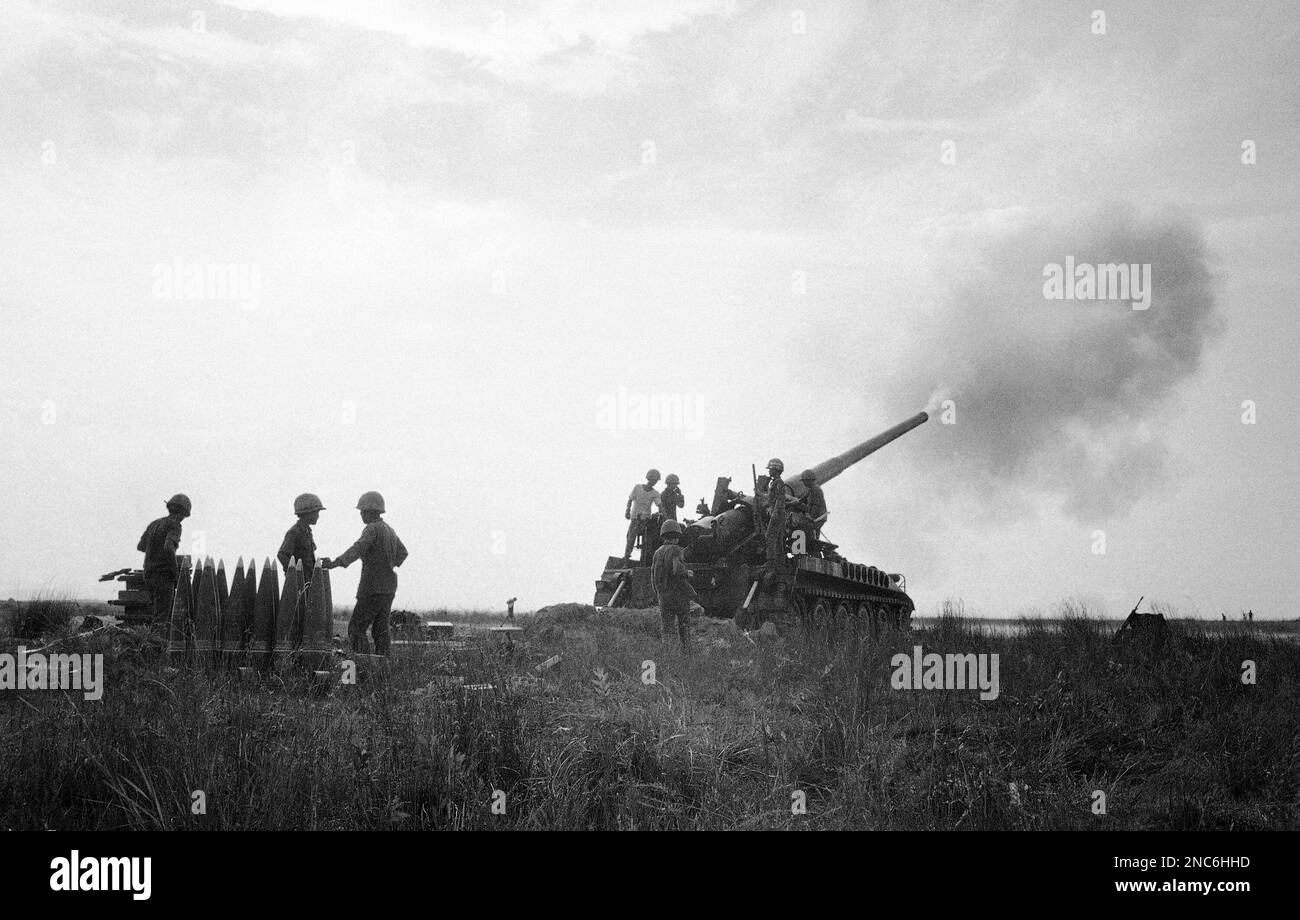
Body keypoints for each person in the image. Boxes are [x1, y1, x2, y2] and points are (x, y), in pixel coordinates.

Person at [323, 491, 408, 656]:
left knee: (356, 629)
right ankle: (383, 665)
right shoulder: (389, 530)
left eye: (362, 511)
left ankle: (362, 665)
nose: (361, 515)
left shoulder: (371, 528)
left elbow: (358, 548)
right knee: (381, 630)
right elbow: (402, 553)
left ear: (370, 512)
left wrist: (335, 563)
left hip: (372, 587)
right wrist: (387, 563)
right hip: (388, 587)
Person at [137, 493, 191, 622]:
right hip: (163, 576)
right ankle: (158, 636)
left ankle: (153, 635)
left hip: (148, 574)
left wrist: (155, 550)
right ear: (183, 513)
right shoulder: (175, 525)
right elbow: (168, 547)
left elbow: (141, 546)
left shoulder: (154, 524)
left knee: (157, 613)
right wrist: (175, 572)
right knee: (162, 617)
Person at [651, 519, 697, 652]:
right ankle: (686, 652)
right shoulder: (677, 550)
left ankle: (668, 653)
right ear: (677, 535)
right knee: (684, 625)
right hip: (678, 595)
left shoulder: (657, 552)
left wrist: (658, 593)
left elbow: (653, 575)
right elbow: (676, 570)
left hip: (663, 596)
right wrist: (687, 572)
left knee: (667, 628)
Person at [278, 493, 324, 578]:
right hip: (299, 582)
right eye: (316, 512)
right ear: (307, 513)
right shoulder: (294, 532)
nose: (318, 516)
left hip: (308, 580)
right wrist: (295, 573)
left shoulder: (307, 532)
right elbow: (282, 555)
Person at [623, 468, 662, 561]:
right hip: (635, 519)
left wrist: (661, 514)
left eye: (656, 481)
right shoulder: (638, 488)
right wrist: (627, 511)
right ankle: (626, 558)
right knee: (630, 538)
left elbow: (659, 505)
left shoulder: (655, 493)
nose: (654, 482)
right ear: (648, 478)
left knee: (647, 541)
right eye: (653, 480)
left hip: (646, 520)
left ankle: (644, 559)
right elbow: (630, 500)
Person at [791, 469, 828, 540]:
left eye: (804, 481)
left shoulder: (815, 490)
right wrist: (792, 503)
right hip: (819, 517)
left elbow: (815, 506)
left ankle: (810, 542)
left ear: (809, 480)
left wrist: (811, 518)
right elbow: (802, 499)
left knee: (803, 526)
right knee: (811, 530)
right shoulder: (810, 489)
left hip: (818, 517)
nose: (803, 483)